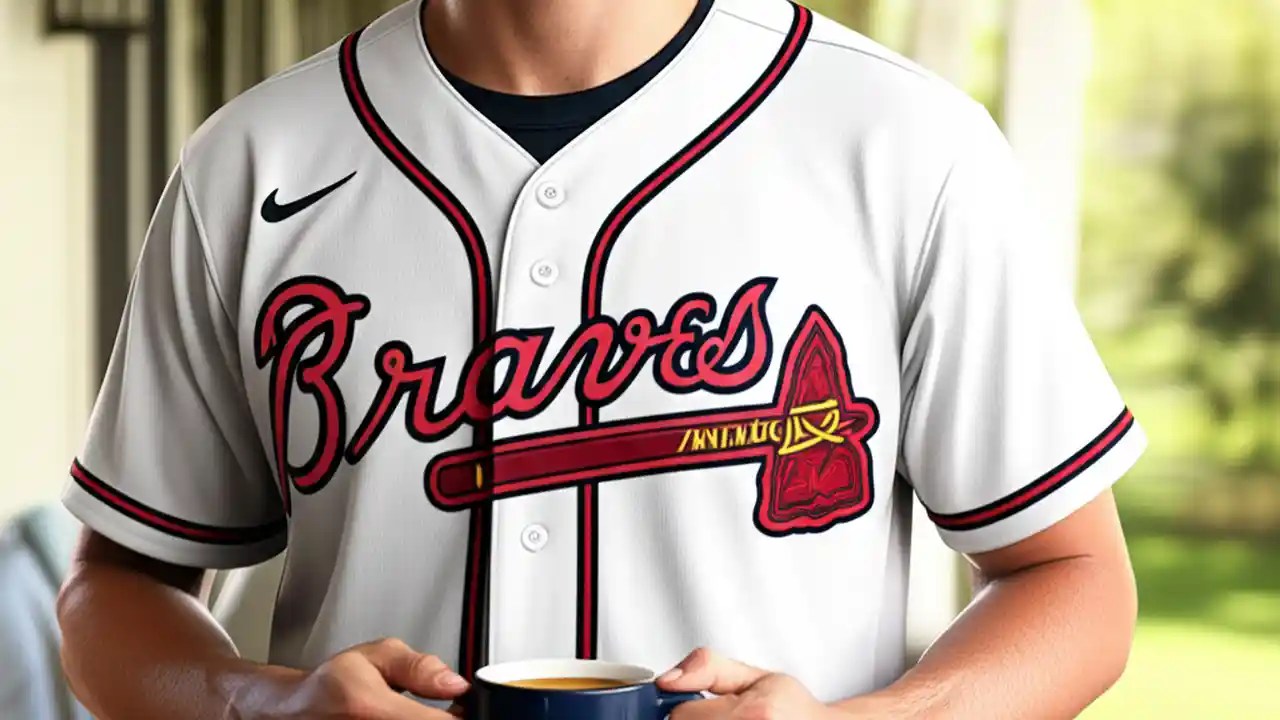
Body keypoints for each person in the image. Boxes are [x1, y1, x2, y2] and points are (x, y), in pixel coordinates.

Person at [57, 0, 1146, 717]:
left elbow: (1071, 577)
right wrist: (268, 707)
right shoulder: (259, 158)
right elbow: (116, 587)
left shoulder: (902, 141)